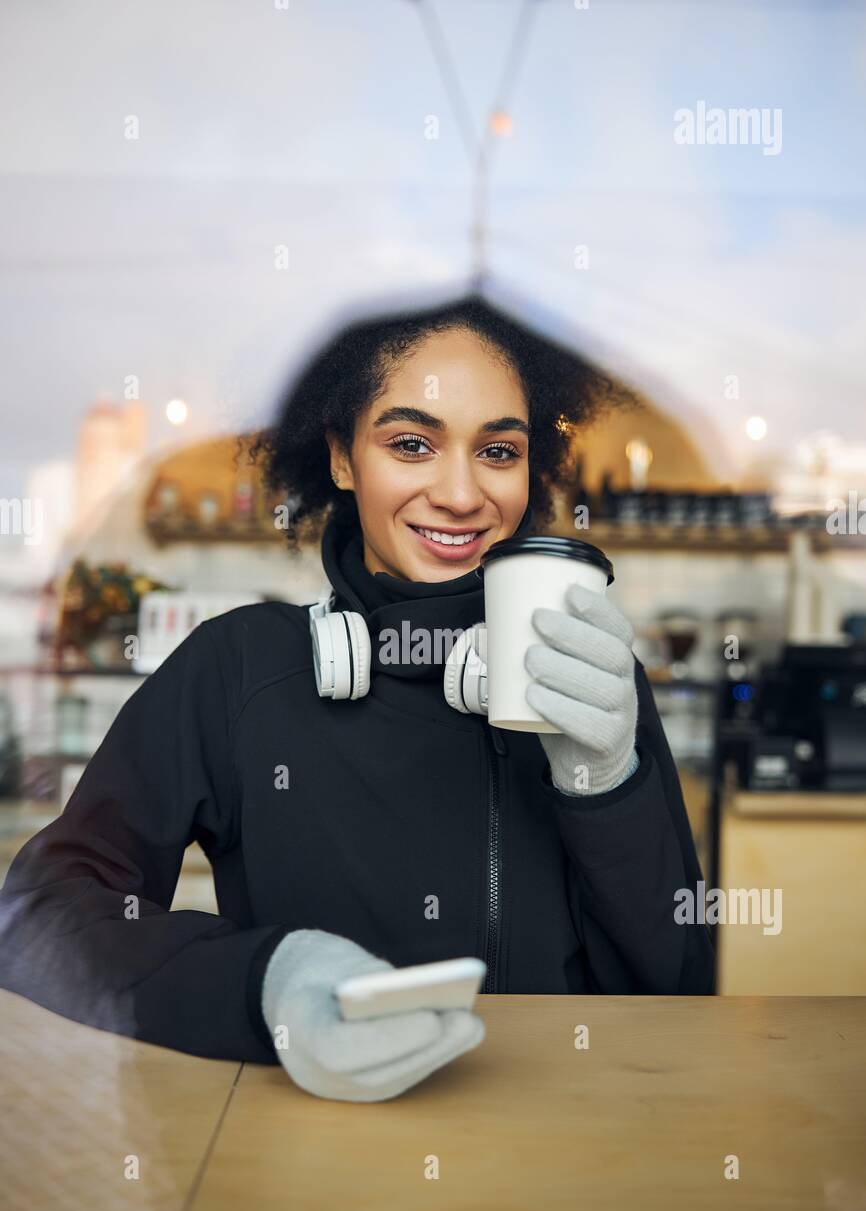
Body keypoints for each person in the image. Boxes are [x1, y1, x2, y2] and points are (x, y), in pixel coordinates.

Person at [0, 295, 714, 1102]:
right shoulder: (238, 670)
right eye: (411, 444)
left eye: (499, 451)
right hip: (311, 1154)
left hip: (562, 1152)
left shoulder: (587, 678)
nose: (460, 493)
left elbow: (677, 990)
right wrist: (265, 984)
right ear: (342, 459)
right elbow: (37, 918)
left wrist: (606, 785)